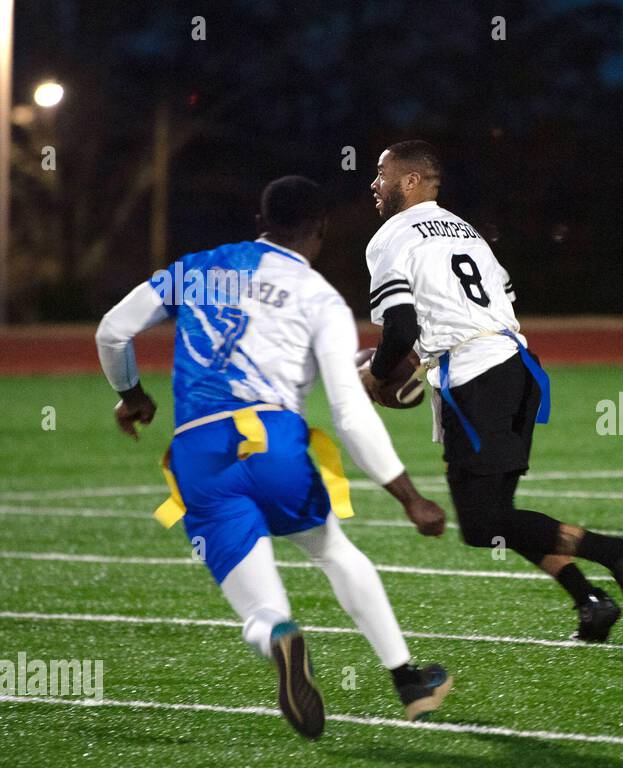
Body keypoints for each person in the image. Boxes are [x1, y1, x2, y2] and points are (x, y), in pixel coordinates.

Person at [95, 175, 454, 739]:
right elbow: (350, 414)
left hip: (198, 453)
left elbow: (112, 331)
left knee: (260, 611)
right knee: (332, 548)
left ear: (262, 222)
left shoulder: (197, 267)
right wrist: (409, 497)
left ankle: (281, 635)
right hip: (274, 443)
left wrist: (132, 395)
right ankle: (408, 679)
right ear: (320, 230)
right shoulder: (320, 297)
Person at [362, 140, 623, 643]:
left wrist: (376, 375)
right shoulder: (467, 232)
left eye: (381, 174)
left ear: (409, 182)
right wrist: (417, 359)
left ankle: (620, 551)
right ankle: (589, 602)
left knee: (481, 524)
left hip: (477, 380)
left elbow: (402, 327)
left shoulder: (390, 236)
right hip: (516, 369)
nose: (373, 183)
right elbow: (499, 303)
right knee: (500, 515)